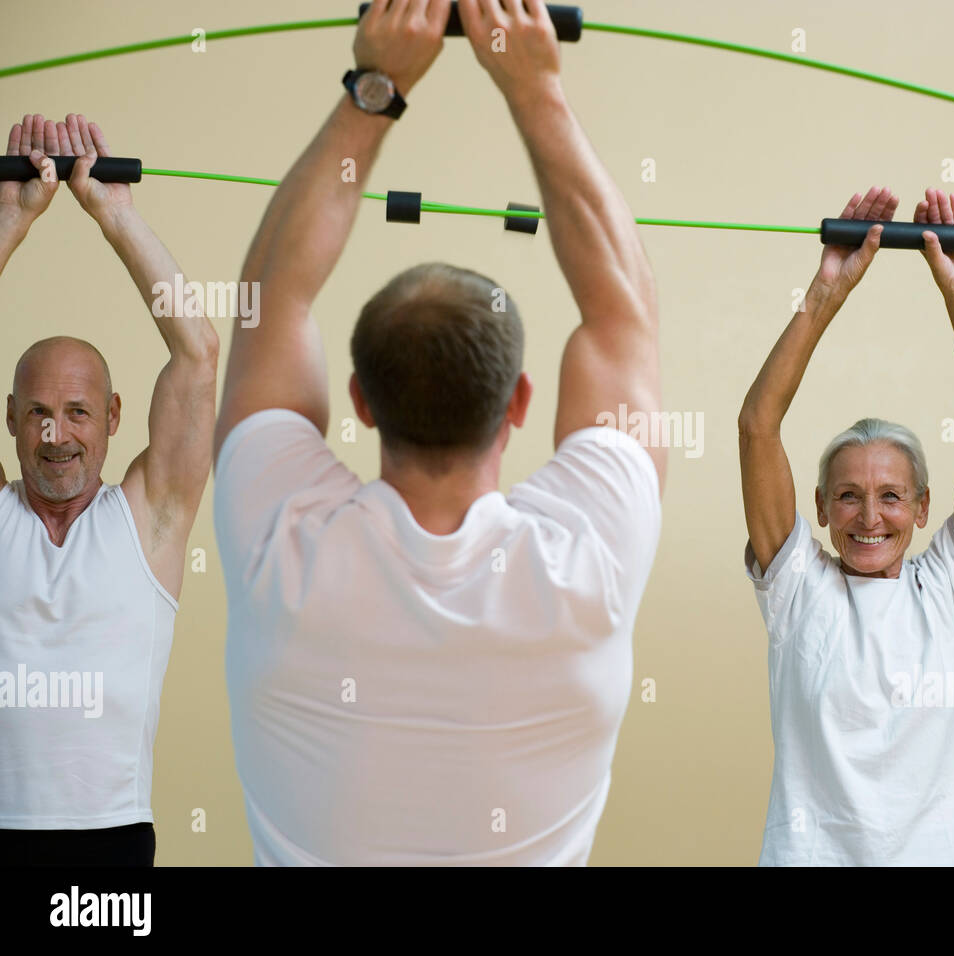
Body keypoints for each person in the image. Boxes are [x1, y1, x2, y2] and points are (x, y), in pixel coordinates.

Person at [212, 0, 664, 865]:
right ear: (521, 401)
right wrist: (535, 87)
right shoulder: (587, 565)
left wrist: (373, 90)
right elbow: (623, 315)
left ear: (361, 402)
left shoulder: (280, 543)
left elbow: (275, 293)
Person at [738, 186, 954, 865]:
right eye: (848, 496)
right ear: (820, 506)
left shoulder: (948, 590)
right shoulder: (797, 588)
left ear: (924, 508)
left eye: (892, 496)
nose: (869, 517)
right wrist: (828, 288)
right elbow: (757, 426)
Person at [0, 113, 219, 865]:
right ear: (11, 421)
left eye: (77, 413)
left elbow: (197, 353)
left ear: (114, 417)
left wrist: (116, 216)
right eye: (37, 414)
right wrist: (12, 218)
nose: (56, 436)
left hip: (111, 845)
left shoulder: (148, 523)